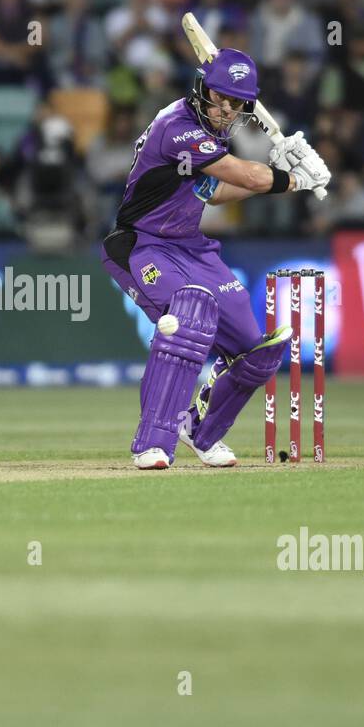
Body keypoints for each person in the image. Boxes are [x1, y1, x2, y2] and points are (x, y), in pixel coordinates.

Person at [100, 47, 331, 470]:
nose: (226, 109)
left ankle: (201, 431)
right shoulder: (177, 126)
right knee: (189, 313)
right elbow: (244, 175)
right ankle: (152, 441)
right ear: (201, 89)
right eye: (219, 98)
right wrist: (293, 178)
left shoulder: (213, 138)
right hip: (142, 245)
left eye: (236, 103)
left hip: (190, 246)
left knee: (256, 350)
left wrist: (273, 172)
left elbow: (217, 191)